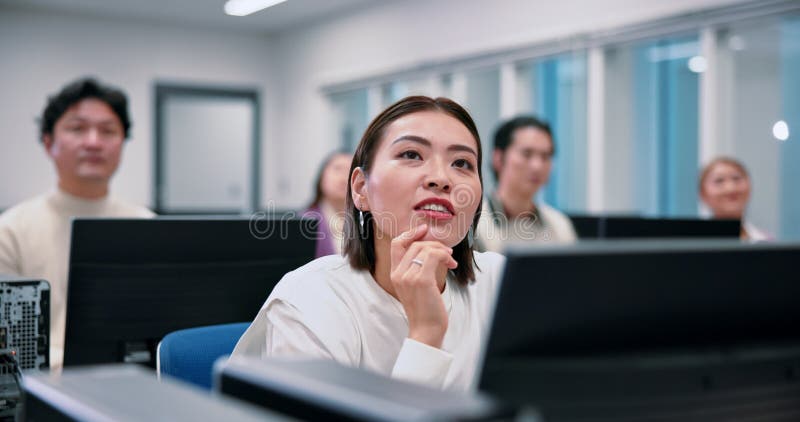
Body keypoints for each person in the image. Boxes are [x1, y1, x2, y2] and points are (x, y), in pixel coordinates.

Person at [233, 96, 505, 391]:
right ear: (361, 188)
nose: (441, 178)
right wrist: (426, 335)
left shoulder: (500, 282)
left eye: (462, 163)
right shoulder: (309, 298)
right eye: (412, 154)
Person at [0, 77, 154, 370]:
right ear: (49, 143)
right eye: (77, 128)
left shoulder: (149, 228)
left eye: (108, 131)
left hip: (134, 385)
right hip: (40, 393)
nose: (94, 142)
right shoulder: (9, 232)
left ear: (123, 143)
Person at [474, 115, 576, 252]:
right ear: (498, 159)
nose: (537, 166)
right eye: (527, 154)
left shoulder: (559, 224)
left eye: (545, 156)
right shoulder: (475, 224)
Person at [699, 156, 771, 242]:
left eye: (736, 179)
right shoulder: (693, 242)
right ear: (703, 193)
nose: (730, 188)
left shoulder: (765, 240)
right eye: (719, 180)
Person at [303, 151, 353, 257]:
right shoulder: (304, 221)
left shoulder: (368, 223)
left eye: (350, 170)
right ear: (321, 177)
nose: (344, 177)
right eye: (338, 169)